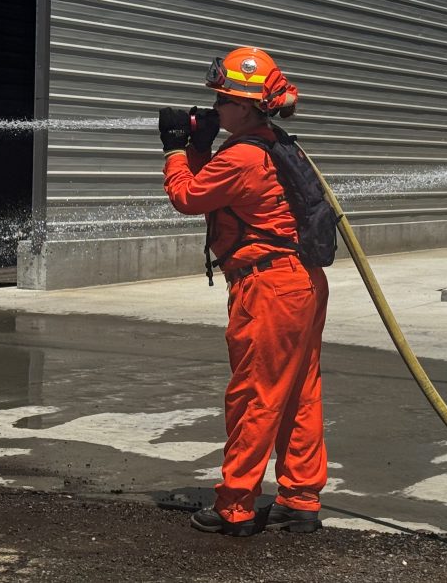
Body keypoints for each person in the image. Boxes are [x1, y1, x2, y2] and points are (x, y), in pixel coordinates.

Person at [158, 47, 329, 536]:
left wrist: (175, 148)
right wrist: (202, 145)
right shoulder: (274, 145)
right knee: (299, 394)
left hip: (269, 288)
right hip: (302, 284)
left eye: (223, 101)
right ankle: (299, 499)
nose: (215, 108)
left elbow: (188, 196)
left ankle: (236, 506)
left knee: (255, 396)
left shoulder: (244, 157)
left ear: (249, 107)